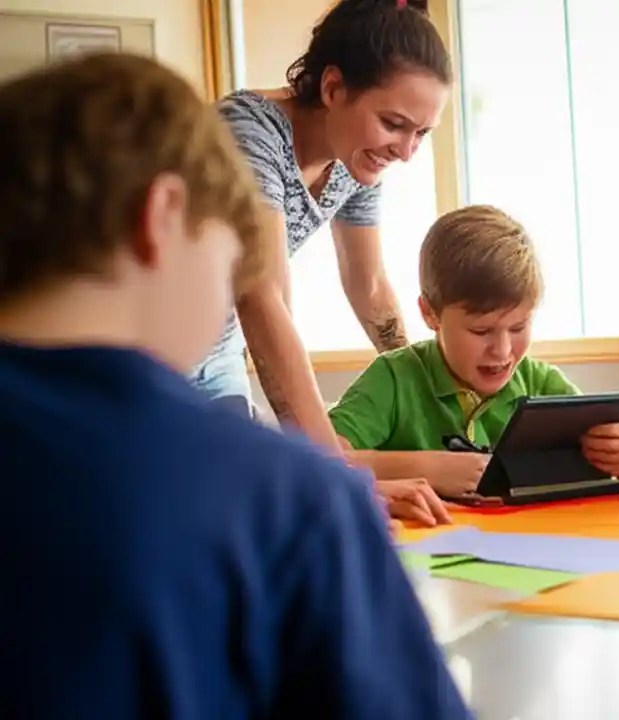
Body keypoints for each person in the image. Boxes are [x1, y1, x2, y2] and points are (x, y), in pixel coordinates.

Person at [0, 53, 470, 718]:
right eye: (230, 258)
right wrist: (327, 476)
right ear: (161, 216)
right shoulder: (288, 500)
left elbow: (369, 284)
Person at [193, 0, 451, 454]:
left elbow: (368, 286)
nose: (406, 152)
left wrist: (423, 391)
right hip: (141, 351)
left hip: (216, 360)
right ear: (333, 87)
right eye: (394, 124)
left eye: (421, 133)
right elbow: (261, 296)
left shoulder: (357, 158)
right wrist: (326, 462)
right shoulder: (248, 132)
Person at [329, 205, 619, 497]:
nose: (503, 350)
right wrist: (427, 468)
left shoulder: (541, 384)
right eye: (481, 331)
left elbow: (615, 459)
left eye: (519, 327)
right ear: (430, 314)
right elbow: (317, 459)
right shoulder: (394, 379)